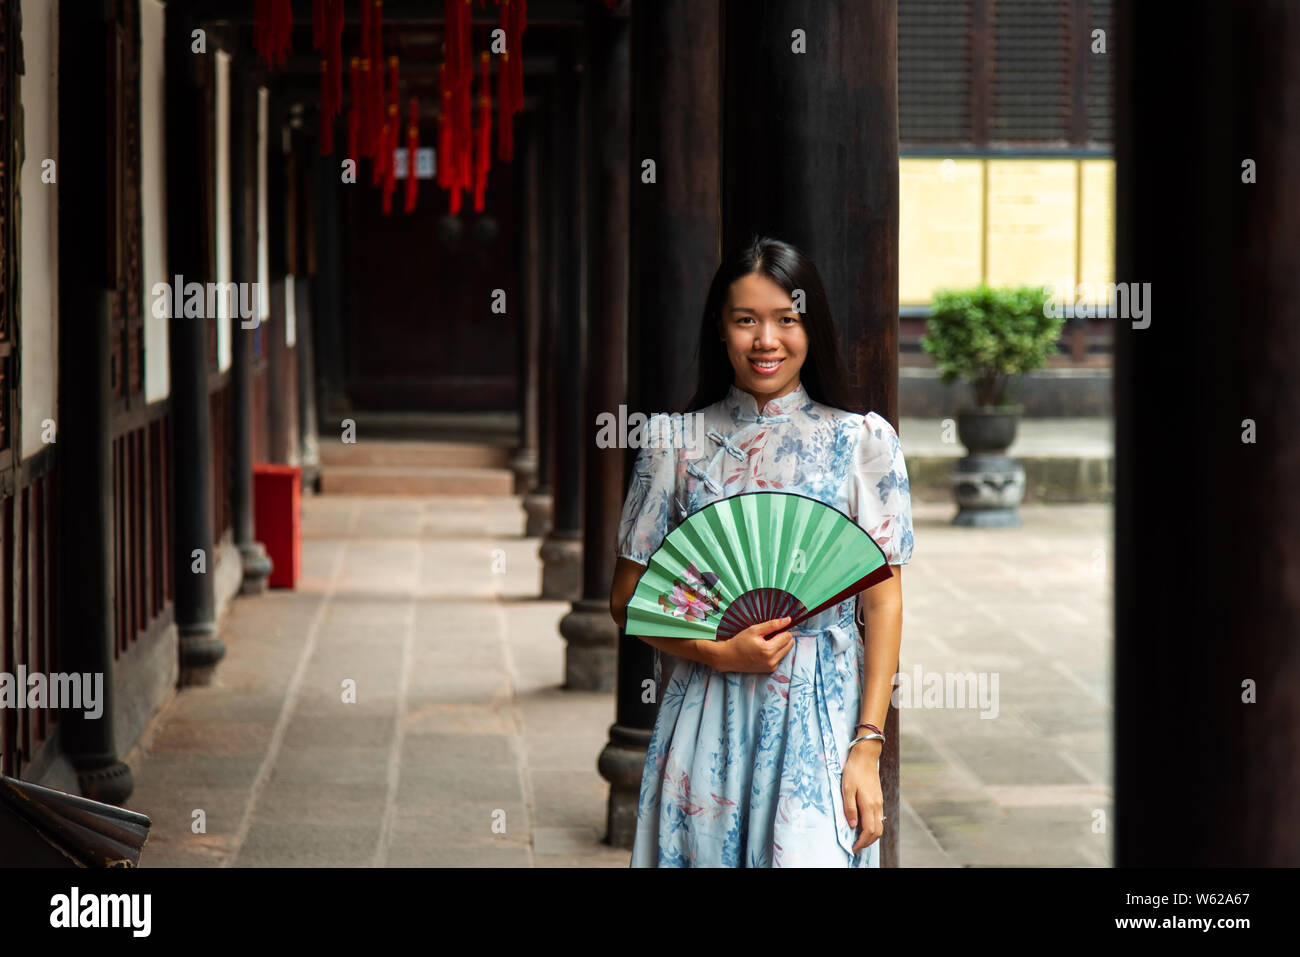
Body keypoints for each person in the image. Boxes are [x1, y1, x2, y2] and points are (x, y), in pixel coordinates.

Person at [609, 235, 914, 867]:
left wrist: (868, 745)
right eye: (745, 319)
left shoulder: (860, 442)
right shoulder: (674, 443)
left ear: (811, 327)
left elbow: (882, 602)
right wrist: (714, 651)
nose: (765, 339)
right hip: (706, 709)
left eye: (786, 319)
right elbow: (626, 599)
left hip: (824, 711)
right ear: (720, 330)